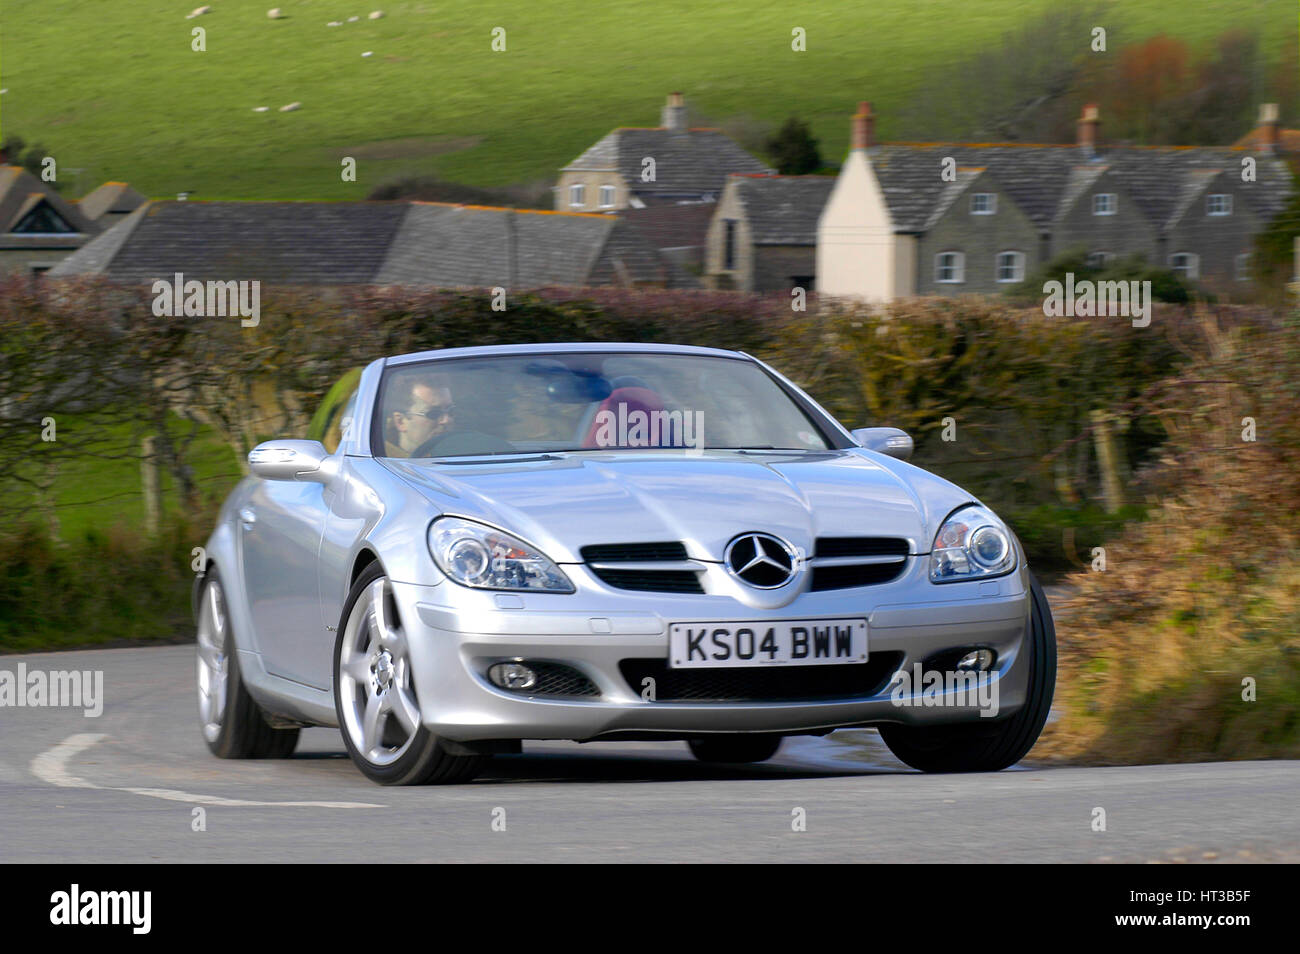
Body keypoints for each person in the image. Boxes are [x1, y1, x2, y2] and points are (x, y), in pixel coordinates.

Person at [383, 376, 455, 457]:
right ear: (400, 422)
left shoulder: (462, 452)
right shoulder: (379, 464)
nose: (446, 420)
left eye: (451, 411)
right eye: (434, 413)